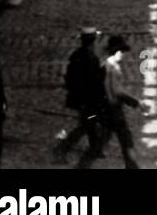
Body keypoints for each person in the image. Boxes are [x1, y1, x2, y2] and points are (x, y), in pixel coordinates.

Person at [53, 28, 105, 165]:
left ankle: (95, 148)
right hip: (88, 99)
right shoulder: (91, 58)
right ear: (93, 42)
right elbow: (95, 81)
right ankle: (61, 150)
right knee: (86, 124)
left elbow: (69, 77)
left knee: (90, 123)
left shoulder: (76, 54)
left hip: (79, 97)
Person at [99, 36, 141, 169]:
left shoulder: (103, 65)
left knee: (106, 133)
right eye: (122, 52)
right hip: (113, 108)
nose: (123, 55)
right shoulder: (113, 68)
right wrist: (136, 103)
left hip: (104, 107)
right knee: (126, 138)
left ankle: (94, 152)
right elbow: (117, 91)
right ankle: (132, 165)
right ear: (117, 51)